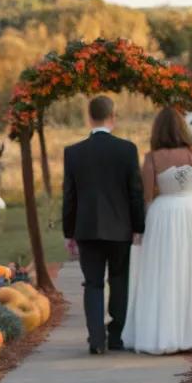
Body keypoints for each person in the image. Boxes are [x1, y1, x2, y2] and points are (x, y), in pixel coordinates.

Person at [122, 107, 192, 354]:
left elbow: (147, 197)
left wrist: (142, 227)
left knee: (166, 271)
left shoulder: (152, 158)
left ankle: (167, 331)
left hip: (163, 216)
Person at [62, 94, 145, 354]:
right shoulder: (127, 149)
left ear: (89, 117)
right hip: (120, 229)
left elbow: (70, 196)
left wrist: (69, 231)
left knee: (93, 283)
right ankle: (116, 336)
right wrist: (138, 226)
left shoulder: (73, 153)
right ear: (113, 117)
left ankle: (96, 340)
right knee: (119, 280)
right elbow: (135, 192)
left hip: (87, 229)